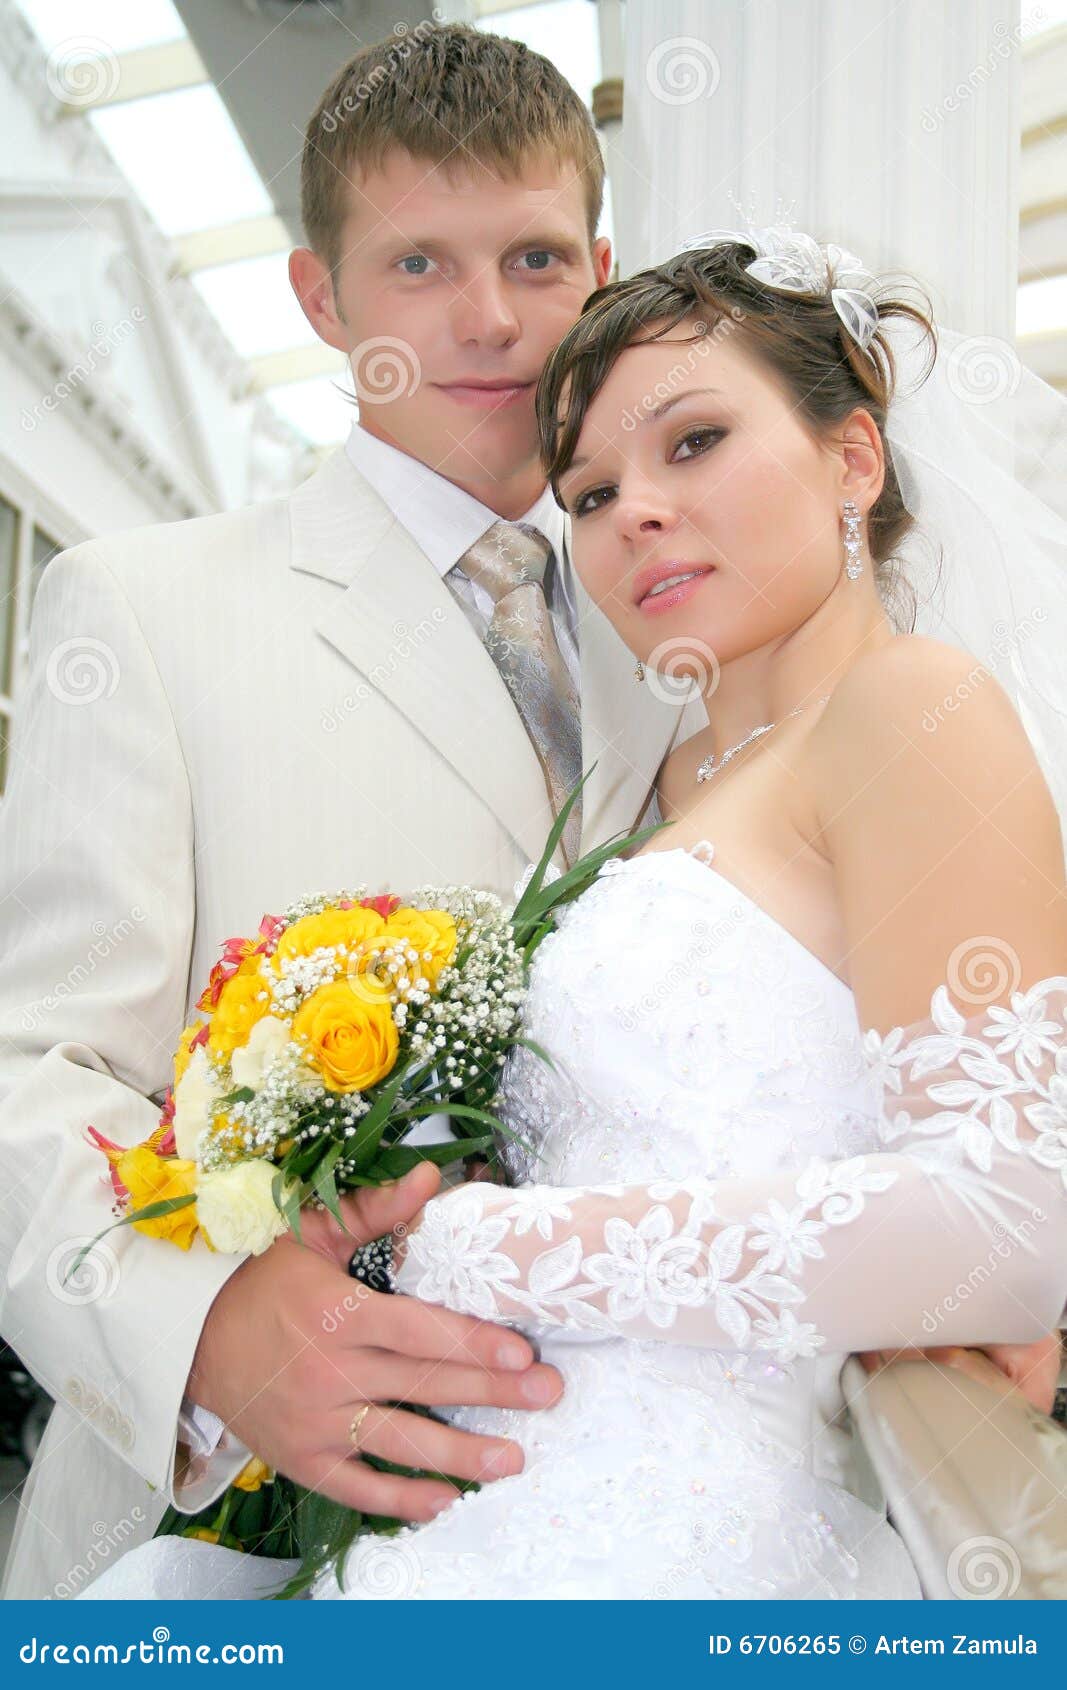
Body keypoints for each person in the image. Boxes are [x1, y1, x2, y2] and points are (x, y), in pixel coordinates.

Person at [75, 233, 1067, 1601]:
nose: (635, 512)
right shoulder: (652, 787)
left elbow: (1006, 1225)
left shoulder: (913, 708)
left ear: (856, 459)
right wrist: (404, 1221)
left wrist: (479, 1249)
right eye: (590, 490)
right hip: (489, 1491)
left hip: (695, 1541)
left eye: (696, 440)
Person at [0, 24, 689, 1601]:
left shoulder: (693, 624)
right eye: (418, 265)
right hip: (233, 1522)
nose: (491, 319)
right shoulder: (145, 607)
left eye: (532, 257)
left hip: (626, 1494)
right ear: (321, 298)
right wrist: (208, 1327)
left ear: (599, 265)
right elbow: (29, 1070)